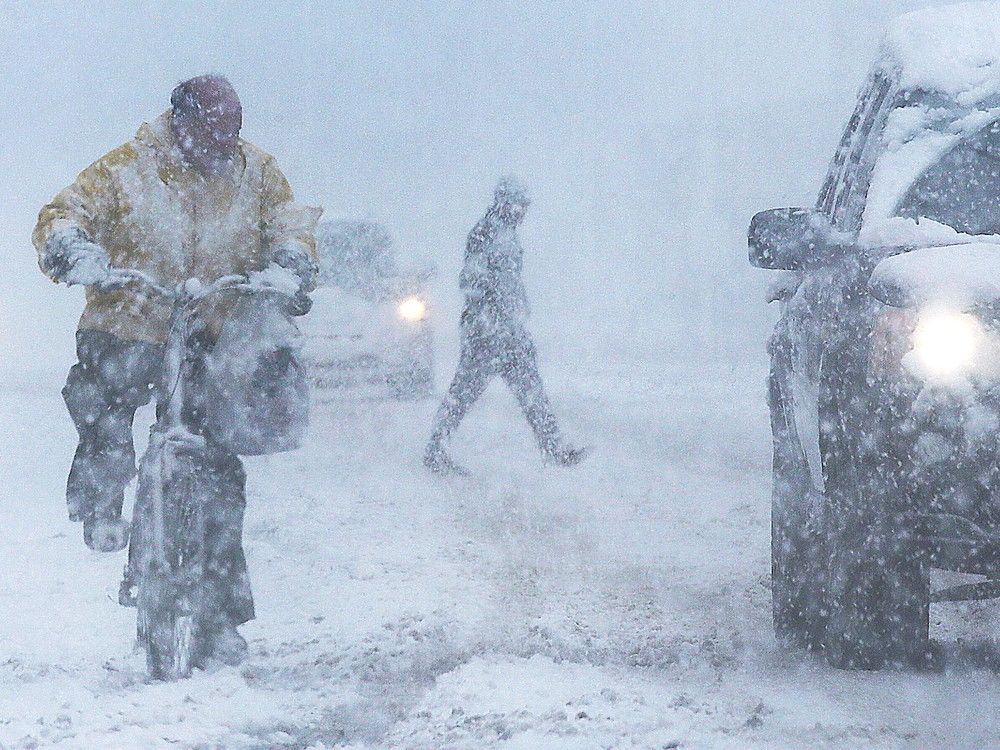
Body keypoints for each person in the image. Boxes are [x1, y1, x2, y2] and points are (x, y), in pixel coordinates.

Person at [32, 74, 319, 663]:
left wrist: (290, 264)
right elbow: (64, 212)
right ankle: (101, 500)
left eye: (229, 140)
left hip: (210, 331)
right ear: (180, 123)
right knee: (100, 400)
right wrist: (74, 251)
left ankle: (219, 620)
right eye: (210, 137)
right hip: (129, 318)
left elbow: (290, 225)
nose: (221, 152)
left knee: (220, 472)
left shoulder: (256, 173)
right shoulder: (126, 168)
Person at [424, 176, 587, 475]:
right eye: (519, 205)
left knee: (531, 390)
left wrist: (518, 306)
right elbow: (470, 280)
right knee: (463, 394)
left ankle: (553, 447)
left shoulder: (508, 233)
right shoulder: (484, 233)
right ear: (504, 203)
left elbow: (507, 280)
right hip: (486, 332)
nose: (523, 212)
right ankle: (436, 449)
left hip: (509, 330)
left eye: (526, 206)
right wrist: (493, 308)